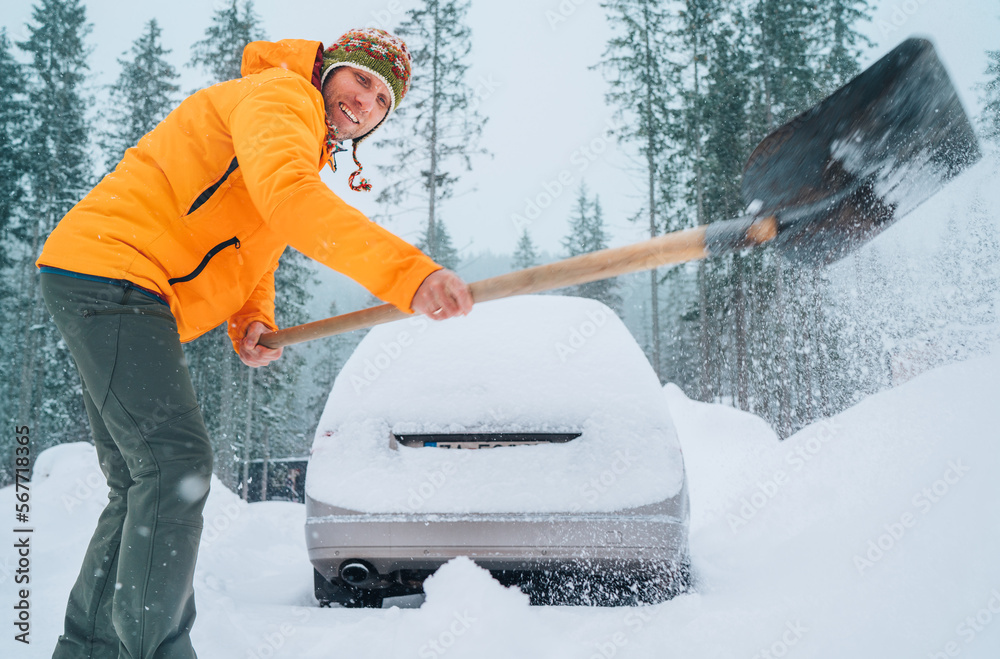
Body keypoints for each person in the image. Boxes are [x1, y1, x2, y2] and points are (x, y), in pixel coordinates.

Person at [36, 27, 473, 659]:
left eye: (382, 98)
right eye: (360, 79)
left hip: (106, 277)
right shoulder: (282, 96)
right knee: (174, 468)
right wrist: (412, 275)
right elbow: (290, 201)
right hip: (114, 273)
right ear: (328, 69)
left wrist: (251, 316)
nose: (365, 102)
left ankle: (91, 651)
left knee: (140, 479)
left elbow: (254, 234)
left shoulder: (296, 126)